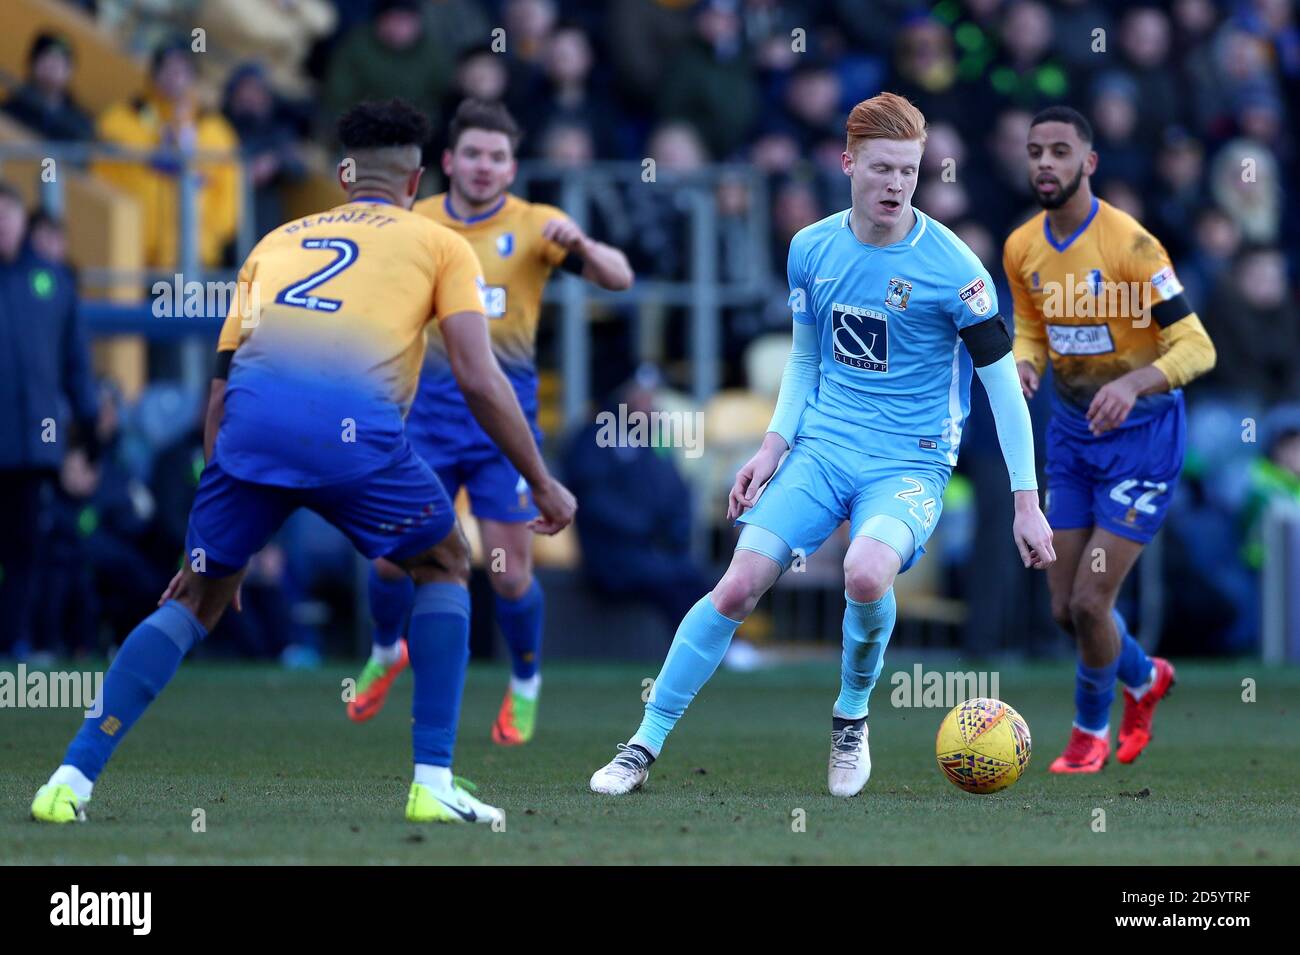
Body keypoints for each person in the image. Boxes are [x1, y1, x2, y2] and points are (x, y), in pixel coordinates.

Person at [30, 99, 576, 827]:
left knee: (193, 601)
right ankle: (433, 780)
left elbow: (219, 394)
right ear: (417, 182)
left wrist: (219, 541)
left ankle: (69, 779)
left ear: (345, 177)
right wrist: (541, 479)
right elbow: (480, 378)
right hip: (355, 438)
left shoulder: (275, 242)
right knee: (444, 562)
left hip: (247, 439)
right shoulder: (443, 245)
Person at [588, 92, 1055, 799]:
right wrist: (772, 448)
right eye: (882, 168)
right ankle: (641, 744)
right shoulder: (811, 248)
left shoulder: (957, 269)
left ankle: (851, 716)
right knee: (738, 584)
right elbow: (807, 359)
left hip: (910, 459)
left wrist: (1027, 501)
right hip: (823, 448)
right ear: (847, 164)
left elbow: (1002, 389)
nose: (897, 184)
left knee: (866, 573)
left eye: (909, 170)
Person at [349, 99, 632, 746]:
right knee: (394, 560)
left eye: (497, 156)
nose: (483, 166)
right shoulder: (412, 221)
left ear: (511, 167)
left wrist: (583, 246)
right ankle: (388, 648)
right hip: (422, 419)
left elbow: (619, 278)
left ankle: (526, 681)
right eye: (472, 153)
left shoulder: (537, 225)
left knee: (507, 571)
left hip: (500, 429)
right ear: (448, 161)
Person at [1004, 106, 1217, 773]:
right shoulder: (1021, 248)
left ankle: (1088, 730)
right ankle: (1143, 676)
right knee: (1067, 607)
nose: (1045, 163)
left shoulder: (1133, 247)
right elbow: (1032, 325)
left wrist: (1135, 384)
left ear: (1088, 163)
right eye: (1035, 151)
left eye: (1060, 151)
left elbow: (1196, 344)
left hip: (1141, 441)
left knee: (1094, 599)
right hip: (1070, 438)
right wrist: (1026, 360)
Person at [0, 182, 99, 659]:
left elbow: (75, 366)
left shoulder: (52, 283)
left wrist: (89, 436)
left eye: (9, 216)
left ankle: (16, 641)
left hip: (31, 447)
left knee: (27, 548)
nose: (3, 226)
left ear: (23, 222)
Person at [0, 32, 94, 142]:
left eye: (61, 62)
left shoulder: (80, 124)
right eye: (46, 59)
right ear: (32, 63)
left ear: (70, 70)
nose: (52, 66)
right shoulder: (10, 109)